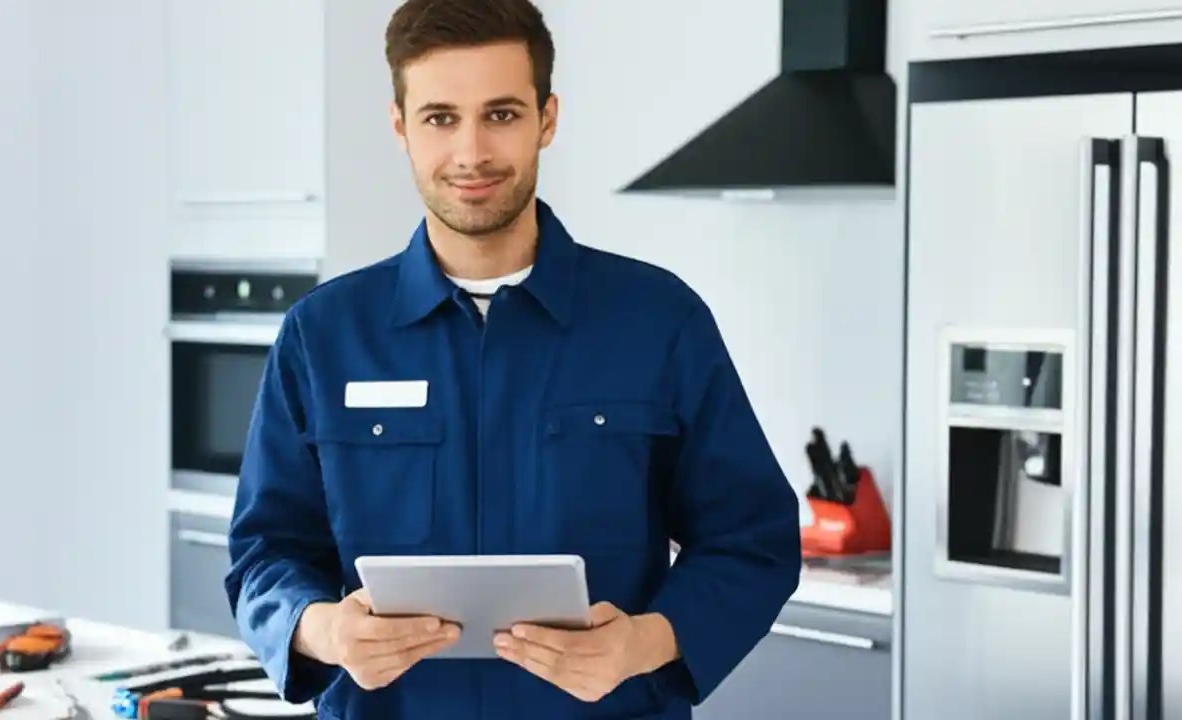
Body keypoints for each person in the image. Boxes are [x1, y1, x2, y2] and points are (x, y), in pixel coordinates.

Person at [224, 0, 802, 717]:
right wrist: (326, 631)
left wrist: (643, 643)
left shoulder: (659, 321)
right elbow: (263, 556)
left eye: (500, 114)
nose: (471, 154)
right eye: (440, 117)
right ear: (400, 125)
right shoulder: (323, 335)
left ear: (546, 119)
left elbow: (754, 541)